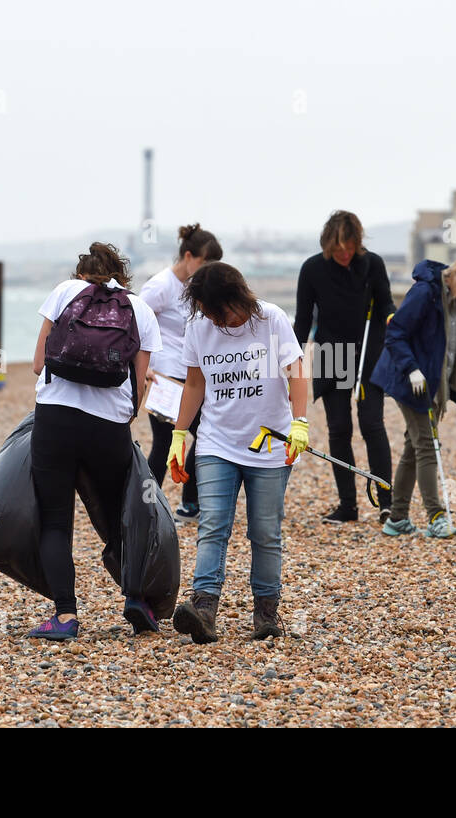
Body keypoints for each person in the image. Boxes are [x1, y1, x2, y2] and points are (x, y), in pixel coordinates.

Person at [166, 261, 308, 644]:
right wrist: (179, 435)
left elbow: (297, 372)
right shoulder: (199, 327)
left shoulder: (272, 320)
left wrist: (300, 422)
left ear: (238, 298)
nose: (217, 321)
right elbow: (194, 384)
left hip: (269, 445)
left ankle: (266, 613)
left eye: (221, 311)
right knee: (212, 525)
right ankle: (204, 608)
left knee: (264, 532)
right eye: (208, 313)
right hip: (217, 443)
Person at [26, 242, 162, 641]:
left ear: (82, 274)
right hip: (108, 426)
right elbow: (139, 384)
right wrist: (125, 417)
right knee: (119, 516)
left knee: (55, 518)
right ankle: (137, 599)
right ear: (121, 274)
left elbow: (38, 364)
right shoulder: (140, 310)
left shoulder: (64, 292)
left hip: (56, 420)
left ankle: (65, 617)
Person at [371, 254, 456, 538]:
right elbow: (396, 333)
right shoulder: (426, 291)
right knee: (427, 445)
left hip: (435, 384)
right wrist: (412, 369)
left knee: (414, 449)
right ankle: (436, 516)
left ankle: (397, 519)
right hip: (410, 380)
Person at [292, 210, 395, 525]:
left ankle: (387, 504)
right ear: (327, 245)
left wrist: (394, 320)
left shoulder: (372, 264)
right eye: (338, 249)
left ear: (358, 243)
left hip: (369, 350)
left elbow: (386, 304)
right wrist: (291, 359)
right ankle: (348, 505)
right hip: (331, 351)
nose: (345, 253)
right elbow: (303, 320)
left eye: (350, 247)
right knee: (339, 429)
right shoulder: (312, 269)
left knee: (372, 424)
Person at [139, 224, 222, 524]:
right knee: (164, 443)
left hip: (195, 377)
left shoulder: (201, 288)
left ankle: (189, 503)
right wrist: (143, 367)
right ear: (189, 256)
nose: (208, 271)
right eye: (204, 264)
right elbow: (135, 324)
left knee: (207, 436)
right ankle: (144, 505)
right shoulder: (161, 285)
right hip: (164, 377)